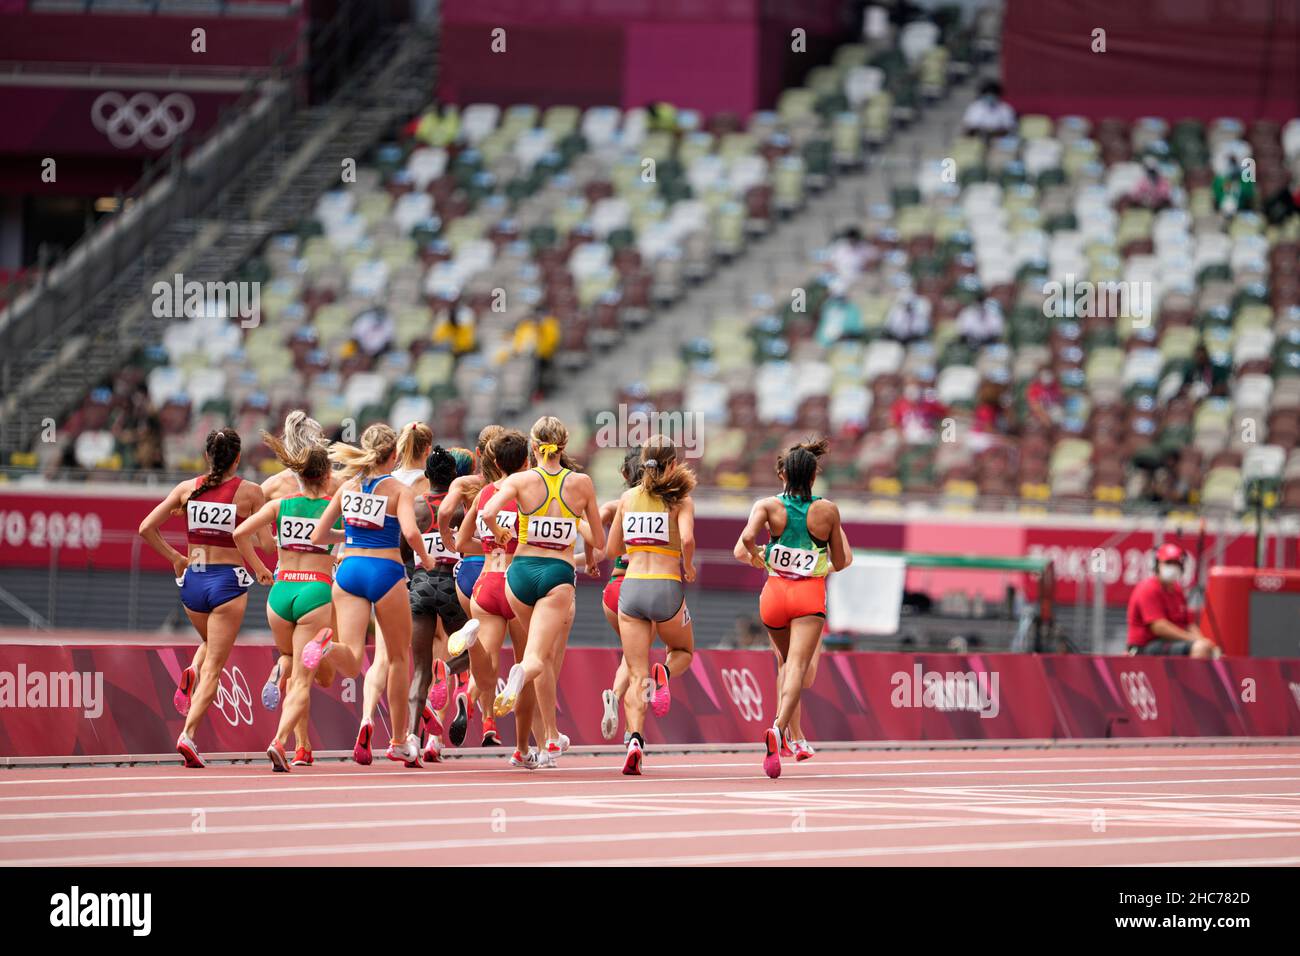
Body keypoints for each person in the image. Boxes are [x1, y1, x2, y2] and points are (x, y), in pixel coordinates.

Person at [301, 423, 437, 766]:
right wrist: (424, 556)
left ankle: (326, 647)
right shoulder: (398, 490)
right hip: (386, 573)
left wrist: (349, 538)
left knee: (350, 659)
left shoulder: (348, 486)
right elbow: (409, 530)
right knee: (397, 658)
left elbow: (318, 535)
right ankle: (397, 740)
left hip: (348, 572)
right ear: (393, 456)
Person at [137, 428, 270, 768]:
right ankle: (188, 735)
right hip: (227, 584)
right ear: (237, 458)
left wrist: (176, 558)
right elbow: (267, 545)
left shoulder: (187, 490)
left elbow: (145, 529)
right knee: (216, 666)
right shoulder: (251, 493)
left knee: (210, 646)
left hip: (193, 581)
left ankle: (192, 670)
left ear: (208, 456)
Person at [480, 416, 605, 768]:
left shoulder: (520, 479)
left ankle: (550, 738)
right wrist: (589, 552)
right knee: (537, 657)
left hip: (517, 576)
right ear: (564, 447)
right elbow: (601, 540)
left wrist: (502, 535)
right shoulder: (581, 483)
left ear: (533, 447)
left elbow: (488, 510)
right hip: (556, 576)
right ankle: (518, 675)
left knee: (543, 657)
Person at [733, 437, 852, 778]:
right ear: (814, 478)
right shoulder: (827, 510)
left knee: (786, 665)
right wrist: (821, 558)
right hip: (808, 595)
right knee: (799, 668)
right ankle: (778, 728)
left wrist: (761, 556)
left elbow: (744, 541)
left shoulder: (767, 506)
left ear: (783, 475)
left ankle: (792, 737)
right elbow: (842, 561)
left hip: (773, 595)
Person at [232, 430, 340, 772]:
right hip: (315, 593)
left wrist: (262, 570)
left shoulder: (279, 504)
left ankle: (302, 746)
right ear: (325, 476)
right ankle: (281, 742)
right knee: (312, 680)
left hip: (280, 593)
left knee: (298, 665)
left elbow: (238, 534)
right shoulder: (332, 506)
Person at [603, 436, 698, 775]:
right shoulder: (680, 500)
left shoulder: (627, 498)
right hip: (666, 588)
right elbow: (686, 539)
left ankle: (634, 740)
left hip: (631, 591)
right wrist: (687, 565)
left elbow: (612, 547)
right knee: (683, 649)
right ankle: (666, 674)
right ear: (672, 465)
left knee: (635, 671)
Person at [456, 429, 538, 766]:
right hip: (518, 583)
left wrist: (491, 547)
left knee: (487, 673)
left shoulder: (485, 494)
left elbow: (461, 542)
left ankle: (471, 642)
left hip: (487, 581)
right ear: (525, 462)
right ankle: (521, 749)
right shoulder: (530, 495)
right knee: (523, 666)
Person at [402, 445, 478, 763]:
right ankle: (445, 669)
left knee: (417, 669)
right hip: (450, 585)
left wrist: (415, 571)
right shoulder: (460, 507)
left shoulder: (416, 506)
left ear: (427, 476)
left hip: (420, 584)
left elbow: (405, 549)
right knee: (474, 654)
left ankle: (410, 741)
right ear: (454, 477)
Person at [598, 448, 644, 742]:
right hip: (642, 586)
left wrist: (588, 558)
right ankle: (631, 729)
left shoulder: (616, 506)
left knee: (631, 654)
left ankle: (624, 720)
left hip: (613, 590)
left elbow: (594, 523)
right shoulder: (662, 506)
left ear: (624, 475)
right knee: (637, 660)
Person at [1126, 543, 1218, 658]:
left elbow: (1189, 624)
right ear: (1158, 564)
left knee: (1209, 650)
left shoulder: (1178, 591)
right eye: (1168, 563)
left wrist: (1203, 641)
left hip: (1169, 642)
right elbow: (1159, 627)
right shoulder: (1148, 588)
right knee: (1199, 649)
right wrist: (1193, 640)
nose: (1172, 567)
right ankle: (1191, 676)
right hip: (1145, 646)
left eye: (1176, 563)